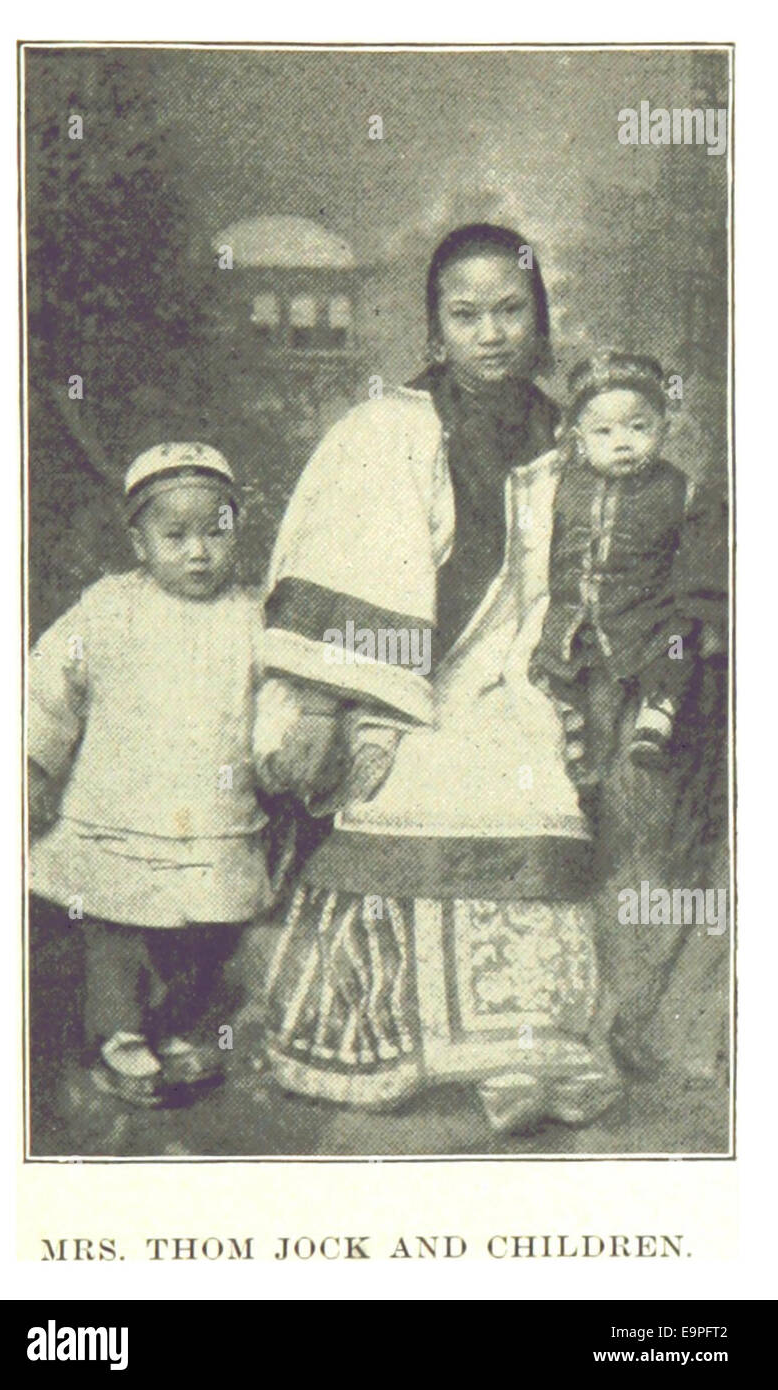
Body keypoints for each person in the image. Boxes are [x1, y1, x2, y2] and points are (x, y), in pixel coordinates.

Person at [253, 223, 623, 1136]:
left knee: (528, 777)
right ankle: (386, 1042)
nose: (490, 333)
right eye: (466, 315)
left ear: (538, 318)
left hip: (513, 669)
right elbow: (360, 568)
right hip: (394, 684)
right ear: (434, 329)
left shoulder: (573, 437)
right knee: (400, 784)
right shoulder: (393, 428)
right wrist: (352, 711)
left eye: (510, 310)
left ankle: (523, 1050)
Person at [28, 443, 274, 1106]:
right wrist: (29, 764)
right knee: (115, 925)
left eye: (214, 534)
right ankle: (118, 1035)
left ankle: (174, 1028)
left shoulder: (254, 618)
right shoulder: (109, 610)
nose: (198, 553)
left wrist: (286, 750)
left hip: (210, 812)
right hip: (118, 804)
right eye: (176, 537)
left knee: (201, 930)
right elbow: (51, 686)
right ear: (140, 543)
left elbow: (277, 701)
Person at [529, 350, 705, 784]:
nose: (622, 442)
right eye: (603, 432)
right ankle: (571, 725)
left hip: (647, 611)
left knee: (676, 648)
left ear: (663, 428)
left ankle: (657, 713)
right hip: (577, 612)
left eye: (638, 427)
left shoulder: (677, 489)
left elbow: (696, 557)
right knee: (553, 663)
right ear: (579, 438)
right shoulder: (564, 485)